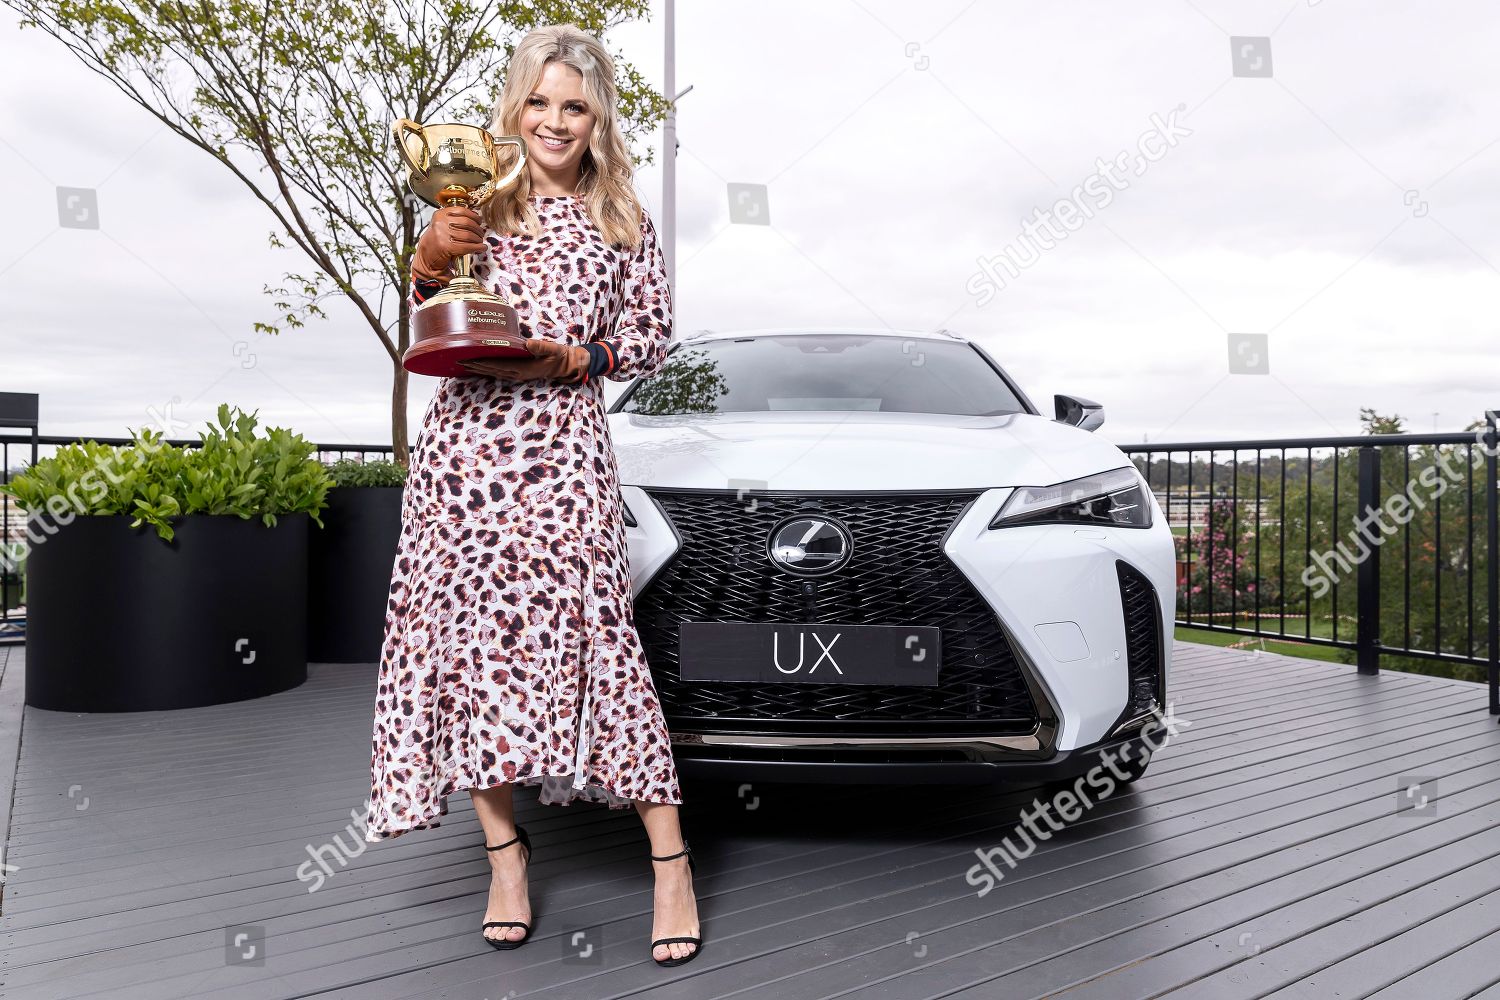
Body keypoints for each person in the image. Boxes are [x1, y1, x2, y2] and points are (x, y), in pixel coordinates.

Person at [365, 22, 703, 968]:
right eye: (541, 101)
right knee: (468, 648)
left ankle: (670, 866)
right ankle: (505, 858)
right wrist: (429, 257)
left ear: (598, 120)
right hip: (465, 457)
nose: (556, 121)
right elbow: (436, 305)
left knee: (601, 642)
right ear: (515, 109)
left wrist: (577, 358)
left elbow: (648, 340)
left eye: (577, 105)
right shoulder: (479, 205)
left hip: (563, 455)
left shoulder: (622, 220)